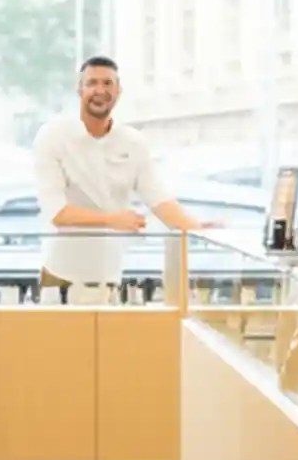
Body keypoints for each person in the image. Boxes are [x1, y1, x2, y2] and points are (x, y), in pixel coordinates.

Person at [33, 55, 203, 287]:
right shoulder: (53, 136)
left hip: (109, 276)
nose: (100, 90)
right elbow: (57, 212)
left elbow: (158, 197)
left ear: (118, 91)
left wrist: (197, 228)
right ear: (79, 90)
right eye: (92, 83)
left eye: (107, 83)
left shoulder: (133, 142)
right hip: (60, 275)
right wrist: (112, 219)